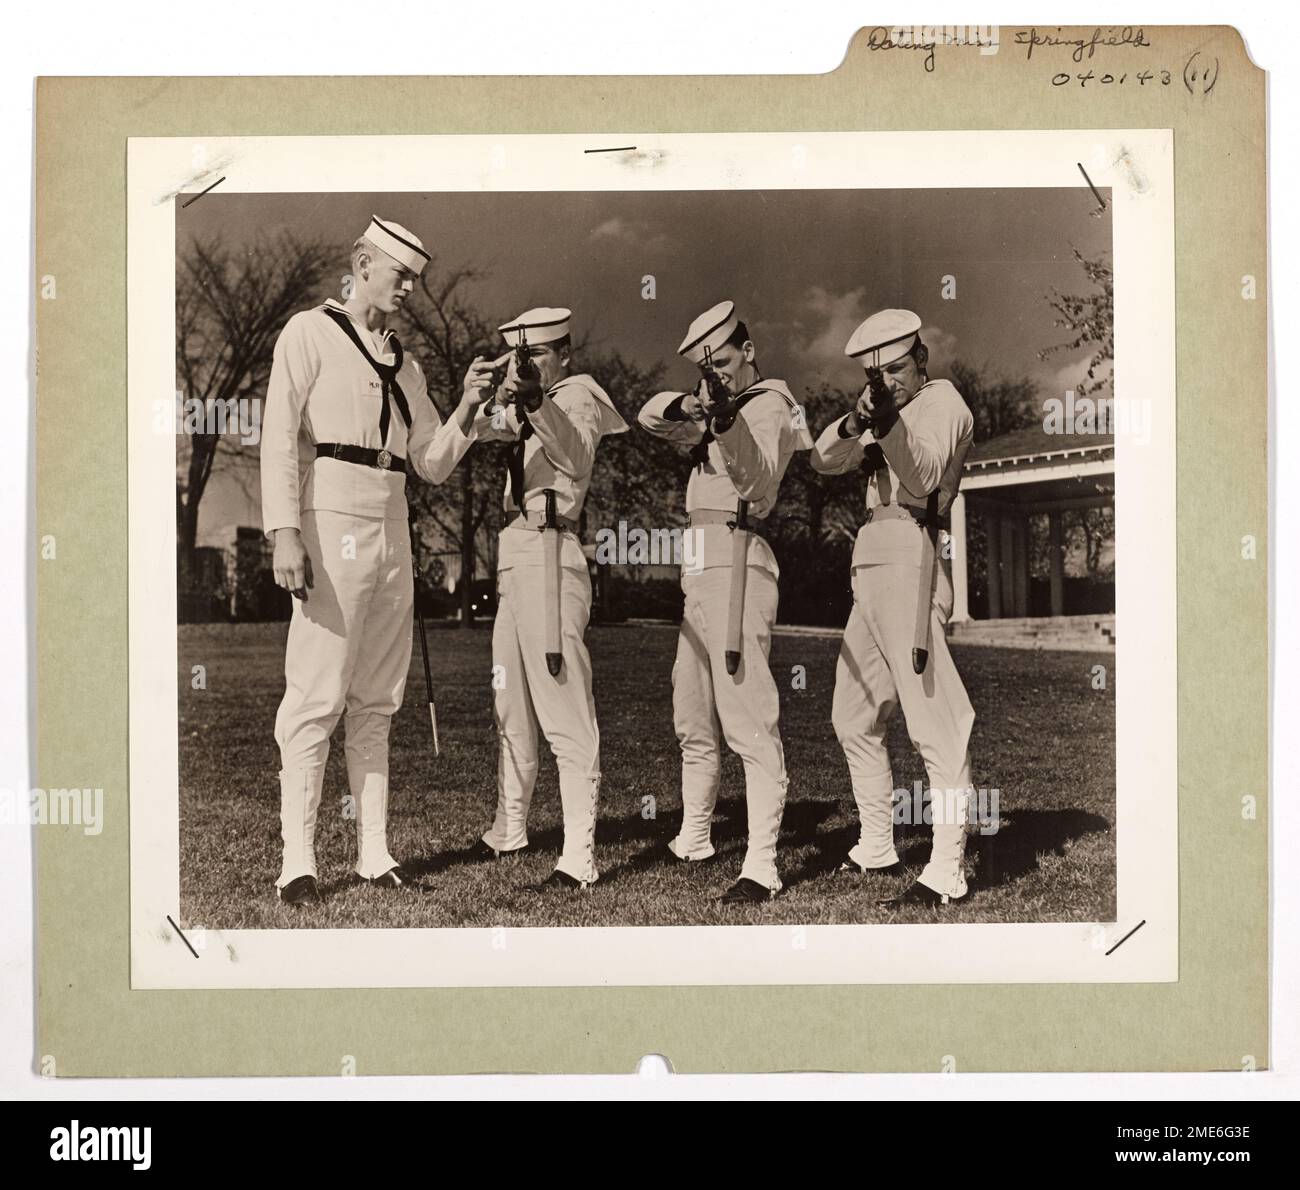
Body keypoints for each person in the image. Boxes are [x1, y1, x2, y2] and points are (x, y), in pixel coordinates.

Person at [261, 216, 468, 907]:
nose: (409, 287)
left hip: (392, 526)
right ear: (361, 262)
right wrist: (284, 531)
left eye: (415, 277)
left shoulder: (406, 363)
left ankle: (375, 853)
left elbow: (433, 462)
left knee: (377, 700)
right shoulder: (309, 332)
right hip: (331, 521)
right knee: (317, 695)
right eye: (399, 273)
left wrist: (471, 404)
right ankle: (298, 861)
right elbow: (277, 435)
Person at [637, 301, 812, 904]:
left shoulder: (768, 403)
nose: (721, 375)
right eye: (707, 369)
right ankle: (694, 837)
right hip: (700, 564)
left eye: (727, 361)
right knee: (691, 712)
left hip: (739, 557)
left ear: (749, 351)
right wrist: (695, 406)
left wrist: (721, 420)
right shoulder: (719, 406)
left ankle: (763, 863)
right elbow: (648, 417)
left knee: (747, 715)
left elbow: (759, 481)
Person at [450, 308, 628, 891]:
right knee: (510, 701)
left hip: (553, 551)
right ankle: (510, 828)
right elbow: (477, 431)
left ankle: (579, 855)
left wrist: (529, 401)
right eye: (522, 357)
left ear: (565, 354)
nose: (531, 368)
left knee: (563, 707)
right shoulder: (531, 401)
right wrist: (477, 397)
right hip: (517, 552)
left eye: (540, 356)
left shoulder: (578, 394)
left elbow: (574, 455)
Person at [809, 308, 976, 908]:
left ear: (921, 358)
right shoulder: (883, 410)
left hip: (913, 552)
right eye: (879, 375)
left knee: (936, 717)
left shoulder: (943, 402)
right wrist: (859, 418)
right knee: (852, 715)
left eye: (899, 369)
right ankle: (878, 843)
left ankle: (948, 867)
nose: (892, 382)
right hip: (872, 558)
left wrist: (888, 424)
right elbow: (822, 460)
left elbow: (928, 475)